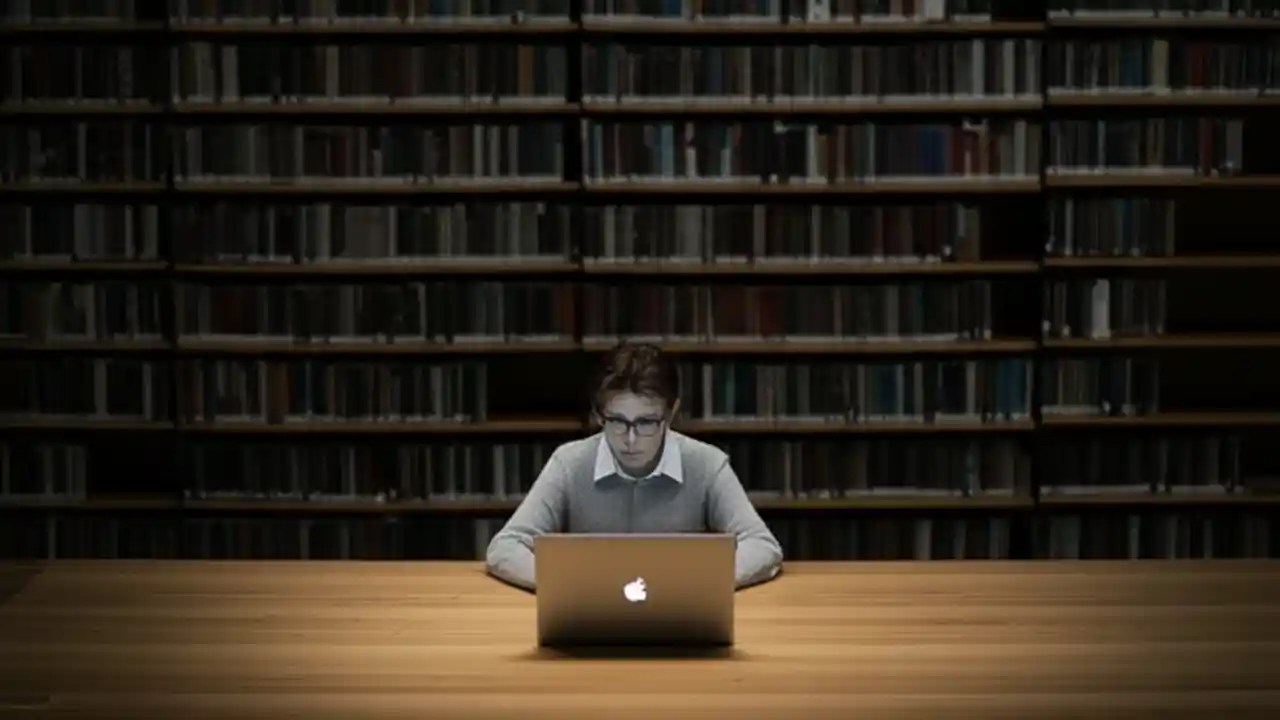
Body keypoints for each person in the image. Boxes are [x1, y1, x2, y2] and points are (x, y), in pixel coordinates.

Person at [485, 342, 783, 591]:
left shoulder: (706, 464)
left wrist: (698, 584)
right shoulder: (569, 463)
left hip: (679, 618)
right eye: (616, 421)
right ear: (598, 414)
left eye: (646, 422)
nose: (630, 439)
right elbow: (506, 547)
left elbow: (762, 545)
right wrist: (571, 586)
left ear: (671, 411)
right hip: (591, 617)